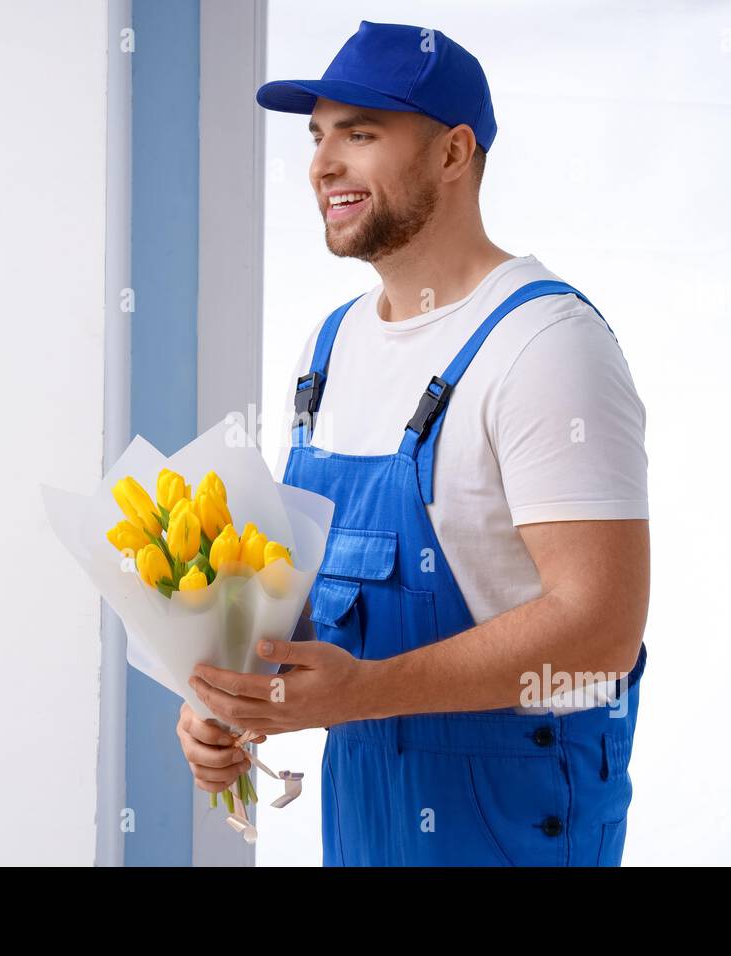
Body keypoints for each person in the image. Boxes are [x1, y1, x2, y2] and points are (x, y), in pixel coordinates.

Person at [178, 19, 650, 866]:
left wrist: (366, 691)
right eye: (318, 136)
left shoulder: (544, 346)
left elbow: (601, 631)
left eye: (360, 134)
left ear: (452, 153)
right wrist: (233, 692)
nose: (323, 164)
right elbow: (312, 603)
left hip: (512, 838)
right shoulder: (328, 350)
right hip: (366, 835)